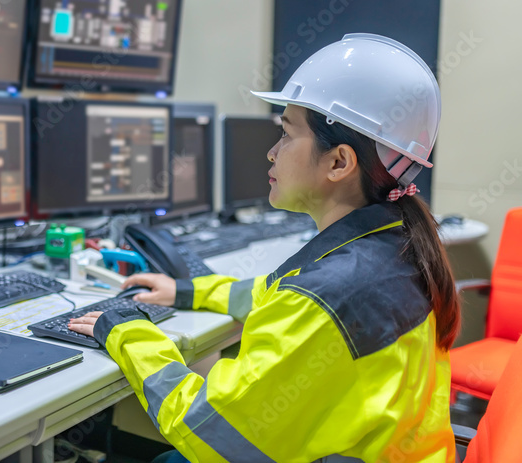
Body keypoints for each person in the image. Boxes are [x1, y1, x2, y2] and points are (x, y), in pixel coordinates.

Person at [68, 34, 460, 462]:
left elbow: (210, 427)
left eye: (287, 135)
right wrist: (189, 292)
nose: (272, 153)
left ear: (339, 162)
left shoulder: (329, 294)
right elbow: (278, 298)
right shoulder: (394, 245)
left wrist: (127, 332)